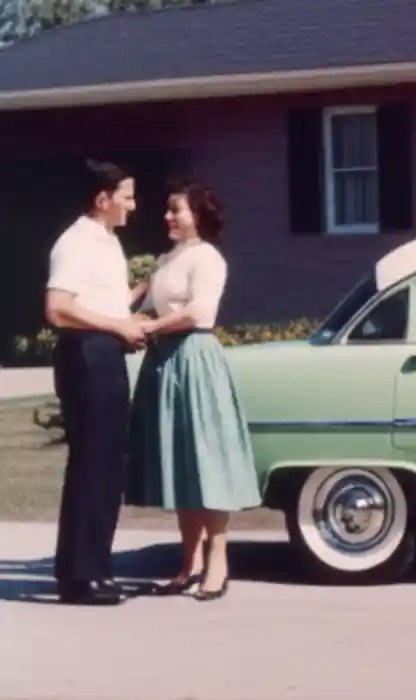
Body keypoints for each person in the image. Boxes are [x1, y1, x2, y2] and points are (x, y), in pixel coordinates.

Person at [125, 177, 261, 602]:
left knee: (205, 459)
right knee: (181, 464)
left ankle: (218, 561)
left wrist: (150, 327)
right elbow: (143, 301)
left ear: (198, 216)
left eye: (176, 210)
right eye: (167, 209)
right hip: (165, 363)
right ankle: (189, 563)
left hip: (195, 359)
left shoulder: (207, 258)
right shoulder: (168, 259)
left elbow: (199, 311)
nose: (167, 216)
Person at [44, 159, 148, 606]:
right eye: (125, 196)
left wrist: (140, 297)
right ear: (102, 199)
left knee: (103, 465)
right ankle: (83, 574)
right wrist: (117, 326)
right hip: (87, 355)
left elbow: (103, 301)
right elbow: (58, 307)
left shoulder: (107, 241)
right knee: (94, 463)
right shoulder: (75, 242)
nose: (132, 204)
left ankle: (83, 568)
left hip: (103, 350)